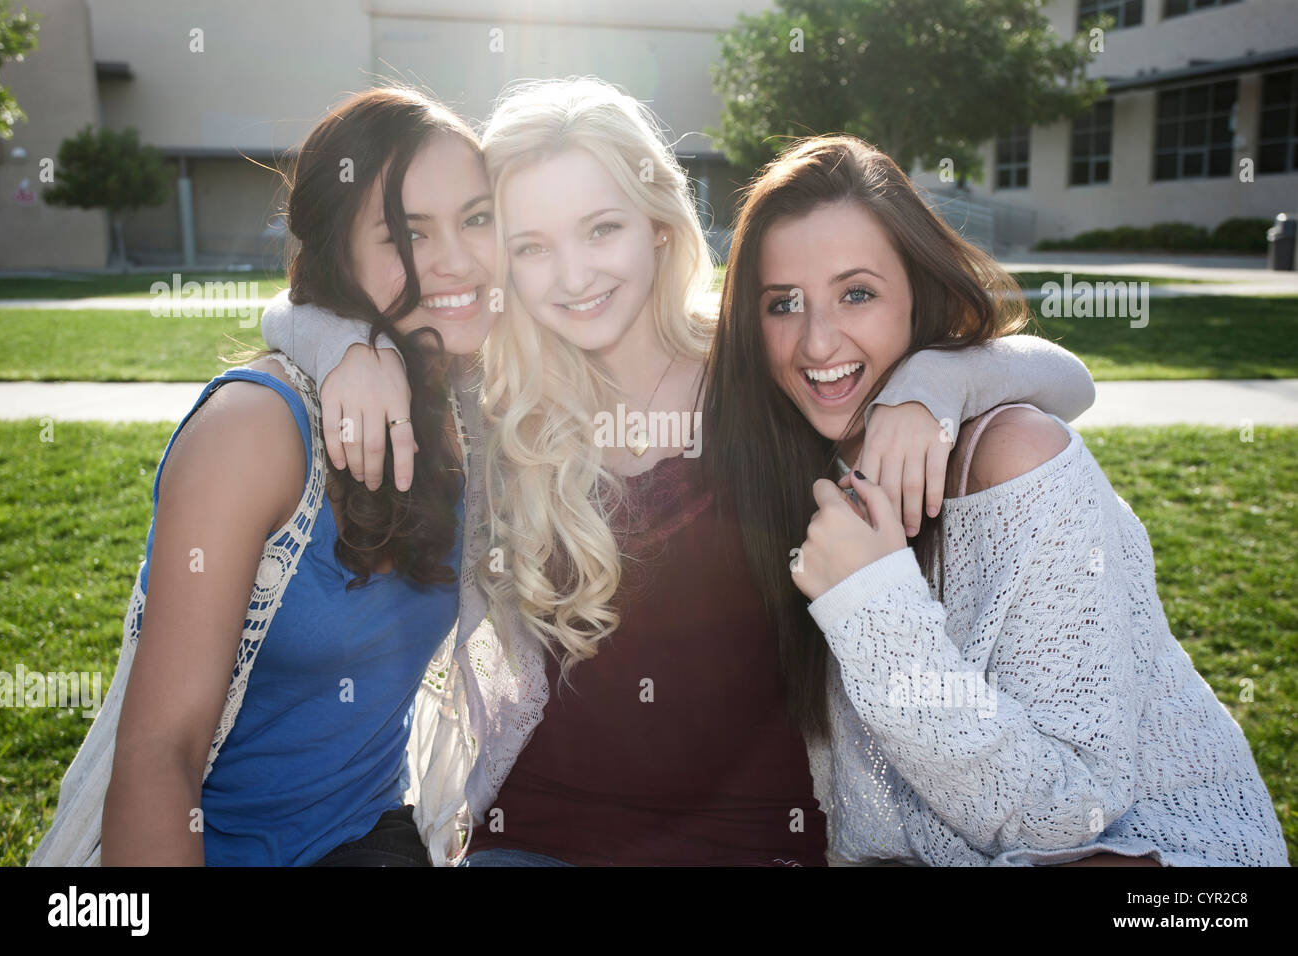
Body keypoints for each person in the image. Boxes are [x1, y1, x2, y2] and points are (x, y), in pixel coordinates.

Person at [262, 77, 1102, 865]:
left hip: (759, 837)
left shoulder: (766, 365)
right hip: (541, 833)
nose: (576, 275)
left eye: (602, 229)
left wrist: (932, 387)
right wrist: (353, 347)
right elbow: (288, 309)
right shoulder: (497, 402)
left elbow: (1067, 381)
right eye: (532, 246)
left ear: (658, 223)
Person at [707, 133, 1288, 866]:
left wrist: (872, 603)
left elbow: (1065, 820)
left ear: (918, 294)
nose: (818, 342)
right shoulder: (795, 465)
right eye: (783, 303)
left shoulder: (1013, 459)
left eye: (857, 293)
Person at [33, 86, 493, 867]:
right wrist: (330, 339)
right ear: (338, 253)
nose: (457, 259)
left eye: (476, 218)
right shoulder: (255, 430)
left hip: (368, 839)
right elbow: (159, 755)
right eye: (405, 234)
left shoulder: (473, 407)